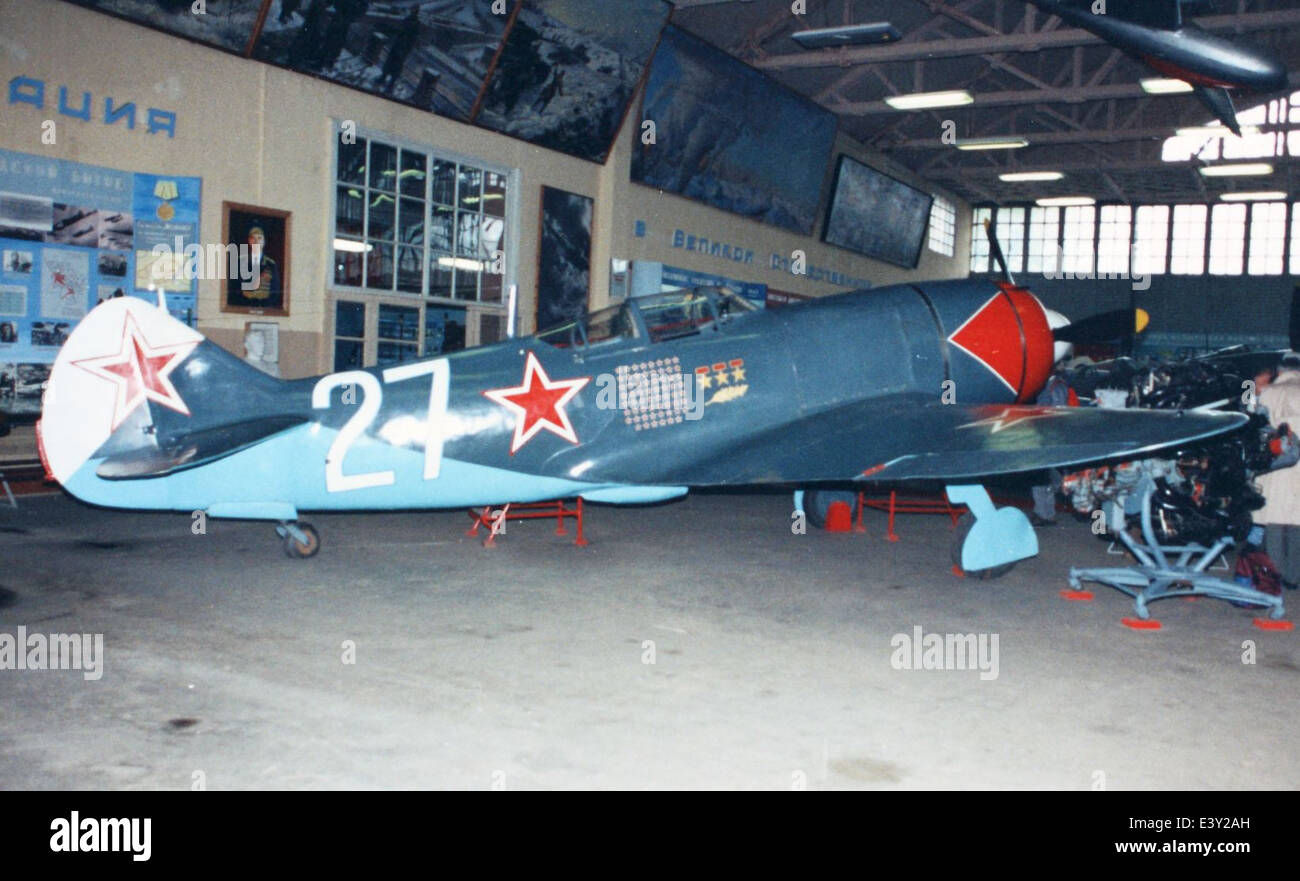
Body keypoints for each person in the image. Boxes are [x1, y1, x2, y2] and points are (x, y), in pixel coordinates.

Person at [1255, 352, 1300, 586]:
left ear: (1279, 370)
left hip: (1276, 463)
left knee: (1273, 520)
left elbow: (1256, 425)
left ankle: (1273, 574)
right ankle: (1294, 577)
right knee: (1296, 522)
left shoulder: (1269, 393)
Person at [1030, 363, 1077, 527]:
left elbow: (1057, 413)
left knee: (1042, 476)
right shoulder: (1053, 385)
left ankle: (1045, 513)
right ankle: (1045, 512)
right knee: (1043, 475)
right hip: (1046, 435)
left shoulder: (1055, 386)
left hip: (1047, 436)